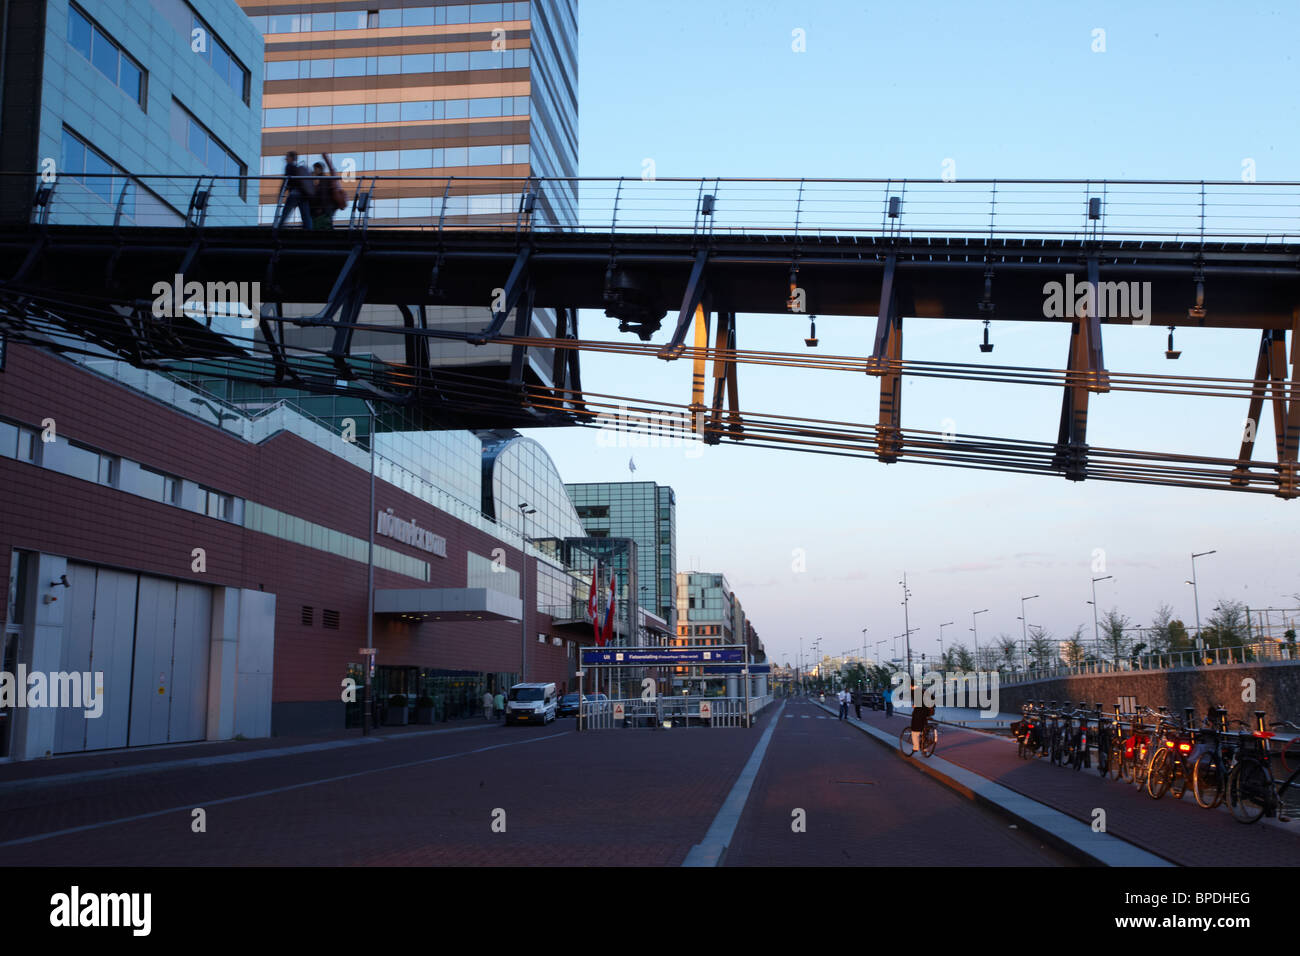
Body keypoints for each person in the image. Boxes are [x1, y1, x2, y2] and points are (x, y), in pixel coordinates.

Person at [277, 151, 314, 229]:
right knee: (306, 215)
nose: (285, 158)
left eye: (287, 156)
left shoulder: (289, 166)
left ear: (291, 158)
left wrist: (281, 193)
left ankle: (278, 229)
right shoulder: (298, 168)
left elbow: (285, 181)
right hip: (303, 194)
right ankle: (309, 230)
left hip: (294, 194)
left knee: (285, 212)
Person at [309, 153, 347, 229]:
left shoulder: (323, 180)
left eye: (315, 169)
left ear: (320, 169)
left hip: (325, 208)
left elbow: (322, 195)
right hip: (328, 208)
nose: (314, 171)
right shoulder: (321, 180)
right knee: (326, 223)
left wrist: (320, 208)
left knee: (322, 224)